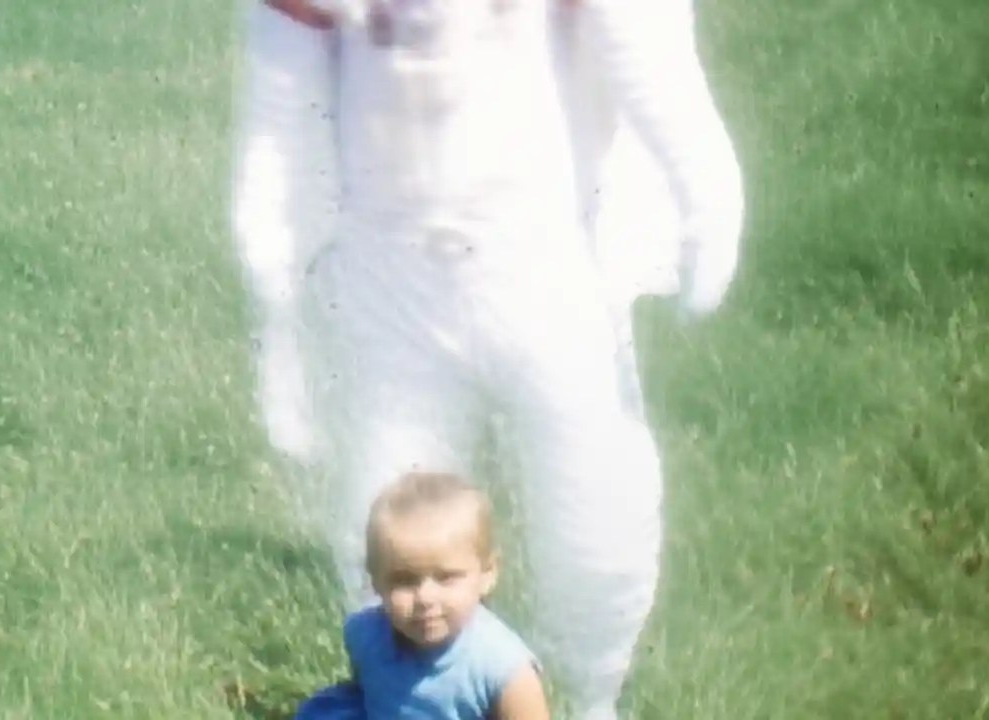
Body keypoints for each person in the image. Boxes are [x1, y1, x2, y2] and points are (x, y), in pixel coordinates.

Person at [231, 1, 744, 717]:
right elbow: (280, 118)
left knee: (596, 512)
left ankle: (591, 696)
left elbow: (644, 51)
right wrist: (278, 322)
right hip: (391, 273)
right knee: (383, 519)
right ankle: (408, 697)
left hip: (540, 258)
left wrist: (707, 191)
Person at [295, 472, 549, 719]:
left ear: (487, 574)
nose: (425, 598)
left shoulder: (503, 670)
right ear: (375, 581)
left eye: (446, 577)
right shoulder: (366, 634)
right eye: (404, 580)